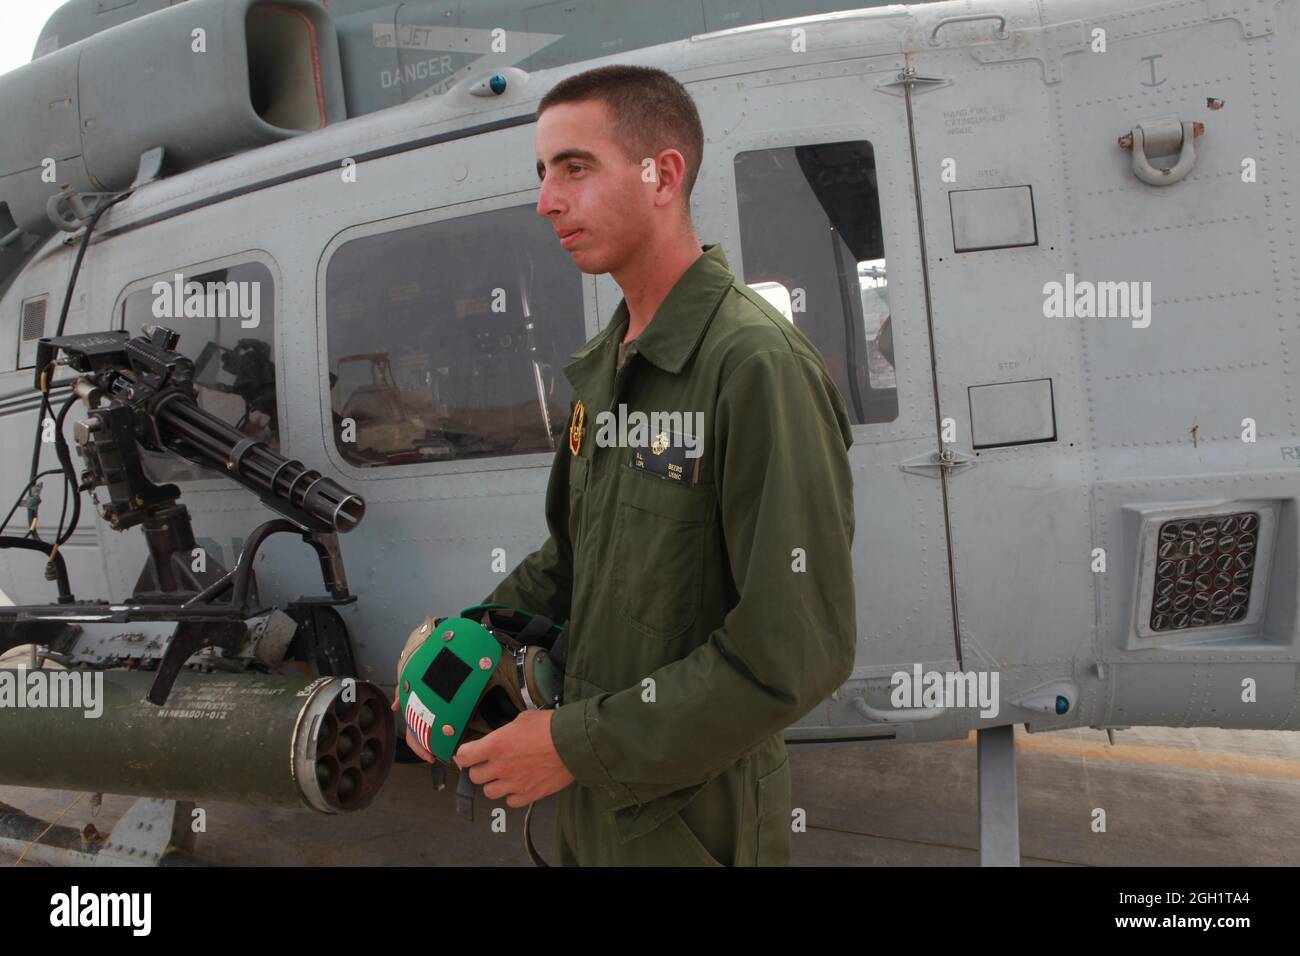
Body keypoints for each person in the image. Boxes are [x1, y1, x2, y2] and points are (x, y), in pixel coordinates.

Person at [405, 63, 857, 865]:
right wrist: (472, 632)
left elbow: (795, 649)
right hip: (593, 811)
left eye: (575, 168)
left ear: (663, 175)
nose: (547, 200)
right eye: (543, 175)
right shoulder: (608, 367)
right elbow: (574, 561)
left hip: (691, 826)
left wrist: (575, 745)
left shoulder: (753, 365)